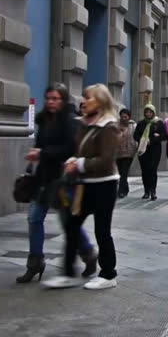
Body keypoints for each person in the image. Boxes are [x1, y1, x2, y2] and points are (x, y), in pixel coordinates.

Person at [18, 84, 96, 284]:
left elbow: (70, 148)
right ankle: (35, 262)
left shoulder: (70, 121)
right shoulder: (44, 119)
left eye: (55, 98)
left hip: (62, 179)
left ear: (63, 100)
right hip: (43, 177)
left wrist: (42, 153)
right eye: (48, 98)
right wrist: (34, 160)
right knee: (34, 218)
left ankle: (88, 252)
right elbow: (41, 144)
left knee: (67, 222)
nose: (51, 102)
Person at [44, 84, 120, 290]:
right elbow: (79, 151)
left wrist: (79, 164)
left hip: (104, 184)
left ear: (101, 102)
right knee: (72, 225)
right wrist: (72, 160)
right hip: (84, 185)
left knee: (102, 230)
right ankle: (68, 273)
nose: (83, 101)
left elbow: (106, 160)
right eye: (84, 97)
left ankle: (108, 274)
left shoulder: (109, 126)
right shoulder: (84, 124)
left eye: (89, 98)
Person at [133, 104, 166, 201]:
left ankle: (153, 191)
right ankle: (146, 190)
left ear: (153, 113)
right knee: (145, 171)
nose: (148, 114)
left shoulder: (159, 123)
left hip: (155, 150)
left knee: (152, 170)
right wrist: (143, 140)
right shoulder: (141, 123)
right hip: (143, 150)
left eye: (150, 112)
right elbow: (135, 135)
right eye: (146, 112)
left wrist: (153, 139)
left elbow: (164, 136)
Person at [116, 109, 137, 199]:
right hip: (117, 153)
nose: (124, 118)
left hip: (129, 153)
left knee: (124, 173)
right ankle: (125, 188)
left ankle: (121, 192)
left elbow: (136, 137)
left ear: (129, 117)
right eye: (122, 116)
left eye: (126, 117)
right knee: (120, 173)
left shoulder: (133, 126)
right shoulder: (115, 125)